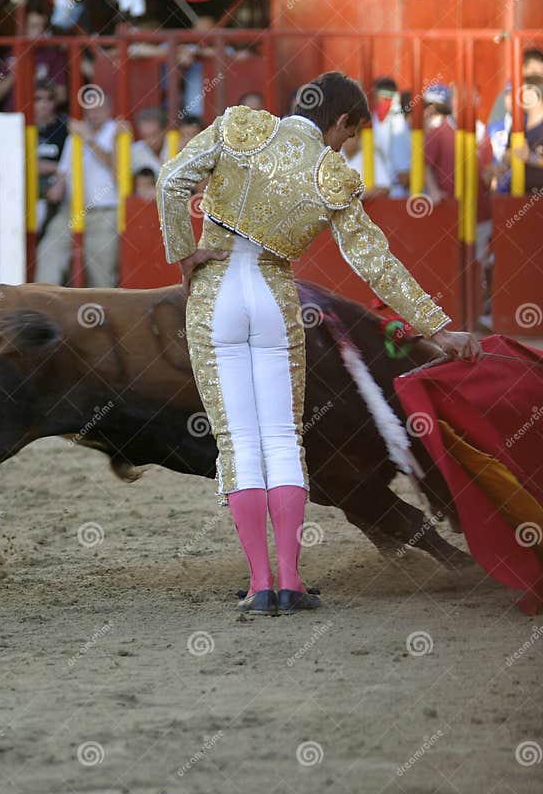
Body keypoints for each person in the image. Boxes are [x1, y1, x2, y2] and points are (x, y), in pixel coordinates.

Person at [156, 71, 482, 616]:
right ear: (340, 120)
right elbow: (376, 263)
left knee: (239, 445)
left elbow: (170, 181)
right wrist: (437, 329)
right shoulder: (332, 174)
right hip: (273, 299)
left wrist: (183, 253)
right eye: (349, 135)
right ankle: (291, 582)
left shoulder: (239, 126)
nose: (345, 146)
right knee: (285, 442)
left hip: (215, 299)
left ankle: (260, 587)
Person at [36, 91, 120, 287]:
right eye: (89, 109)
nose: (94, 113)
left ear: (109, 109)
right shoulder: (76, 134)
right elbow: (65, 170)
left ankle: (100, 307)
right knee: (48, 254)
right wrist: (57, 187)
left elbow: (118, 169)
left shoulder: (117, 131)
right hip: (71, 210)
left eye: (99, 108)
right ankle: (43, 302)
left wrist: (89, 139)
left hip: (104, 212)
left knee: (102, 273)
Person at [0, 9, 68, 110]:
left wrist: (39, 81)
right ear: (24, 30)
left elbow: (62, 96)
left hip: (42, 116)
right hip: (15, 114)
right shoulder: (12, 55)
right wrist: (15, 73)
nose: (40, 30)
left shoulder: (55, 56)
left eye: (43, 26)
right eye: (34, 26)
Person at [34, 81, 68, 240]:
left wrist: (54, 168)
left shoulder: (64, 128)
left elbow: (72, 162)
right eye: (38, 99)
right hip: (26, 184)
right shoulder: (19, 125)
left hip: (55, 184)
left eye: (49, 99)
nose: (44, 104)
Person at [423, 83, 455, 203]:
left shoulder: (442, 131)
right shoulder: (431, 133)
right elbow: (425, 165)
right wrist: (433, 191)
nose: (431, 111)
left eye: (438, 107)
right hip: (440, 201)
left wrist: (433, 191)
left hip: (448, 200)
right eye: (427, 106)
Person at [511, 74, 543, 193]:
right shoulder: (518, 123)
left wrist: (530, 158)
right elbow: (508, 153)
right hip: (519, 192)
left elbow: (528, 157)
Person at [131, 107, 166, 176]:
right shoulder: (135, 151)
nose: (151, 141)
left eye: (154, 135)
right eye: (145, 136)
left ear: (164, 131)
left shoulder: (177, 146)